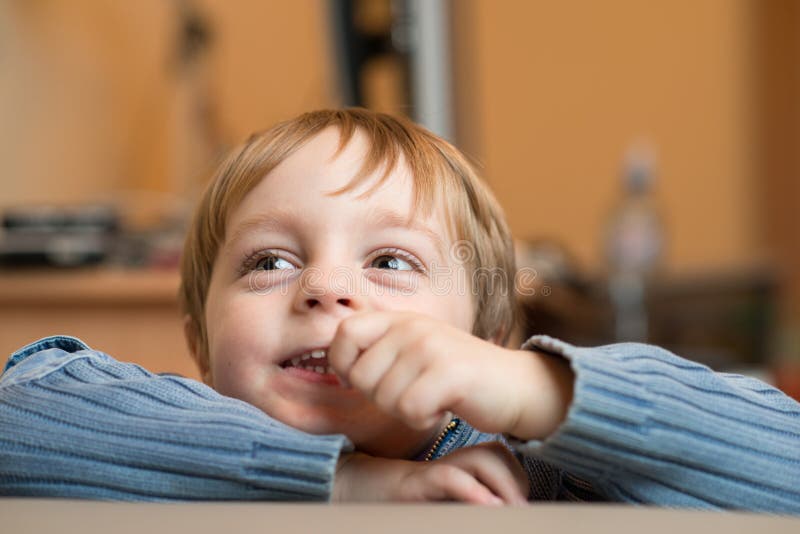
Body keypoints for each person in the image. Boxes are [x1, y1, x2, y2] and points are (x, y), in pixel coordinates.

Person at [1, 109, 798, 513]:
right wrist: (346, 483)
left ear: (484, 340)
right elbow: (22, 407)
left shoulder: (539, 471)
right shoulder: (166, 440)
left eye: (389, 262)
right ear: (200, 343)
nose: (325, 290)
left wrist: (541, 393)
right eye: (269, 262)